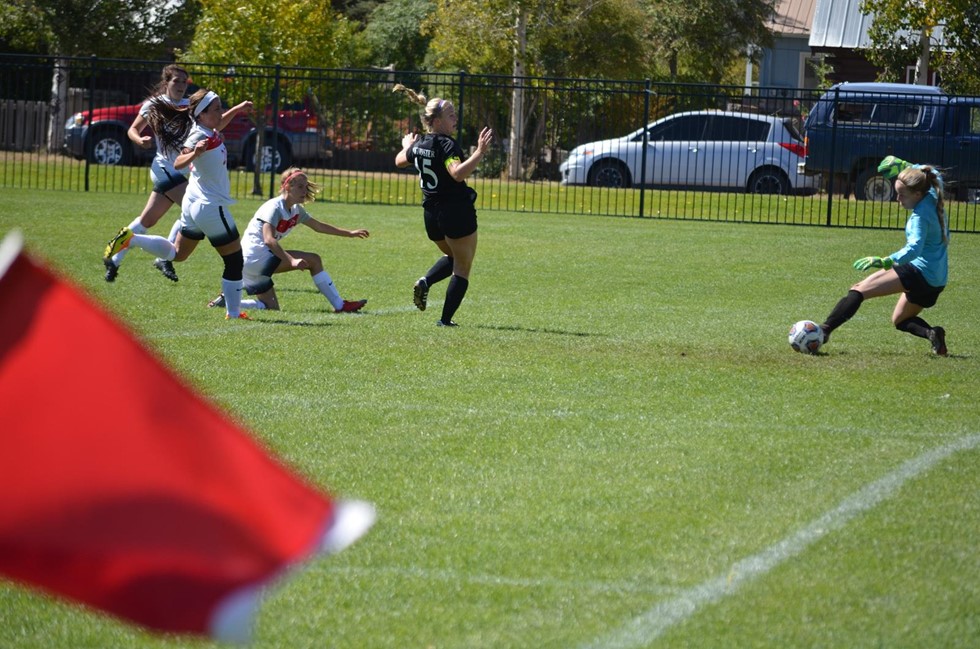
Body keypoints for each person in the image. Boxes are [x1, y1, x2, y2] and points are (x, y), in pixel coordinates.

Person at [103, 88, 255, 320]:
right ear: (202, 114)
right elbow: (179, 161)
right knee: (234, 260)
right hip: (210, 206)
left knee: (177, 254)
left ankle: (131, 239)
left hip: (194, 203)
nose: (220, 111)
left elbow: (219, 124)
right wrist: (194, 152)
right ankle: (233, 314)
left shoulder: (208, 129)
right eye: (216, 108)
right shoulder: (199, 135)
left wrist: (237, 109)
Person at [820, 156, 949, 355]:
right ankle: (932, 334)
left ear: (916, 193)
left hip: (918, 271)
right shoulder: (931, 193)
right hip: (937, 280)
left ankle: (823, 332)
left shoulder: (920, 216)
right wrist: (905, 166)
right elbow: (933, 174)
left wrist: (885, 261)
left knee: (859, 290)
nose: (898, 200)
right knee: (900, 320)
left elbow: (914, 248)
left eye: (902, 195)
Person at [393, 84, 493, 327]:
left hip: (431, 215)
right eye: (450, 115)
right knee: (462, 265)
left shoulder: (421, 144)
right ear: (436, 120)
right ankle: (445, 321)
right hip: (455, 211)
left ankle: (426, 282)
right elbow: (457, 173)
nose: (455, 118)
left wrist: (408, 147)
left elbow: (399, 161)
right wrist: (479, 152)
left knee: (452, 255)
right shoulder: (447, 145)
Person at [206, 168, 369, 313]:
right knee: (314, 260)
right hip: (255, 257)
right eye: (299, 187)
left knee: (271, 308)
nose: (304, 191)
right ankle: (340, 305)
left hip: (251, 261)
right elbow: (269, 240)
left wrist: (350, 233)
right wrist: (291, 261)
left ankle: (228, 302)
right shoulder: (274, 207)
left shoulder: (296, 210)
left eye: (305, 187)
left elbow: (319, 226)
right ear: (287, 186)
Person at [102, 64, 190, 283]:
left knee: (147, 221)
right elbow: (132, 129)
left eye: (184, 81)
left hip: (182, 172)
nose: (180, 85)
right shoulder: (154, 104)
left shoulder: (191, 105)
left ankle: (114, 257)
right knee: (194, 209)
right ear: (166, 82)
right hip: (164, 169)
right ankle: (164, 258)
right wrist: (140, 140)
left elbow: (214, 122)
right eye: (176, 81)